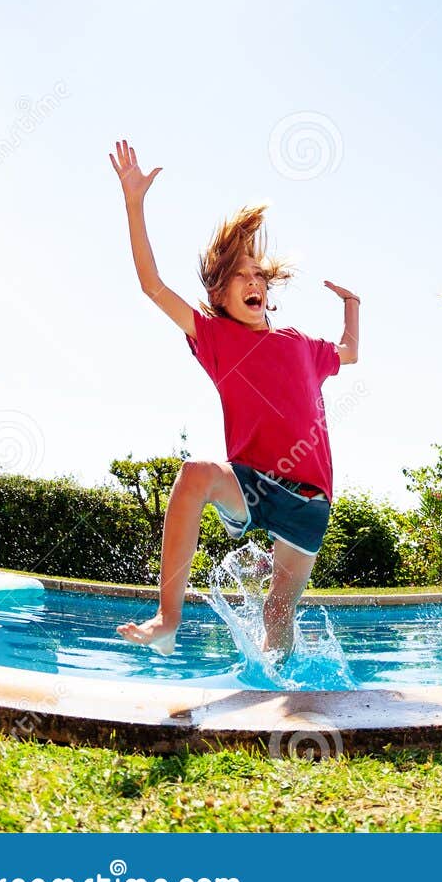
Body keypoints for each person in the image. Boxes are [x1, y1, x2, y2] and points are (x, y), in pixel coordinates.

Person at [107, 140, 358, 657]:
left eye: (258, 274)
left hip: (310, 500)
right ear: (219, 296)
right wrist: (135, 203)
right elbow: (152, 286)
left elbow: (350, 352)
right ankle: (167, 618)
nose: (253, 281)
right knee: (195, 473)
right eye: (239, 275)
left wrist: (353, 305)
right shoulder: (217, 340)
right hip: (250, 484)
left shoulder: (304, 347)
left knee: (277, 613)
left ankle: (277, 690)